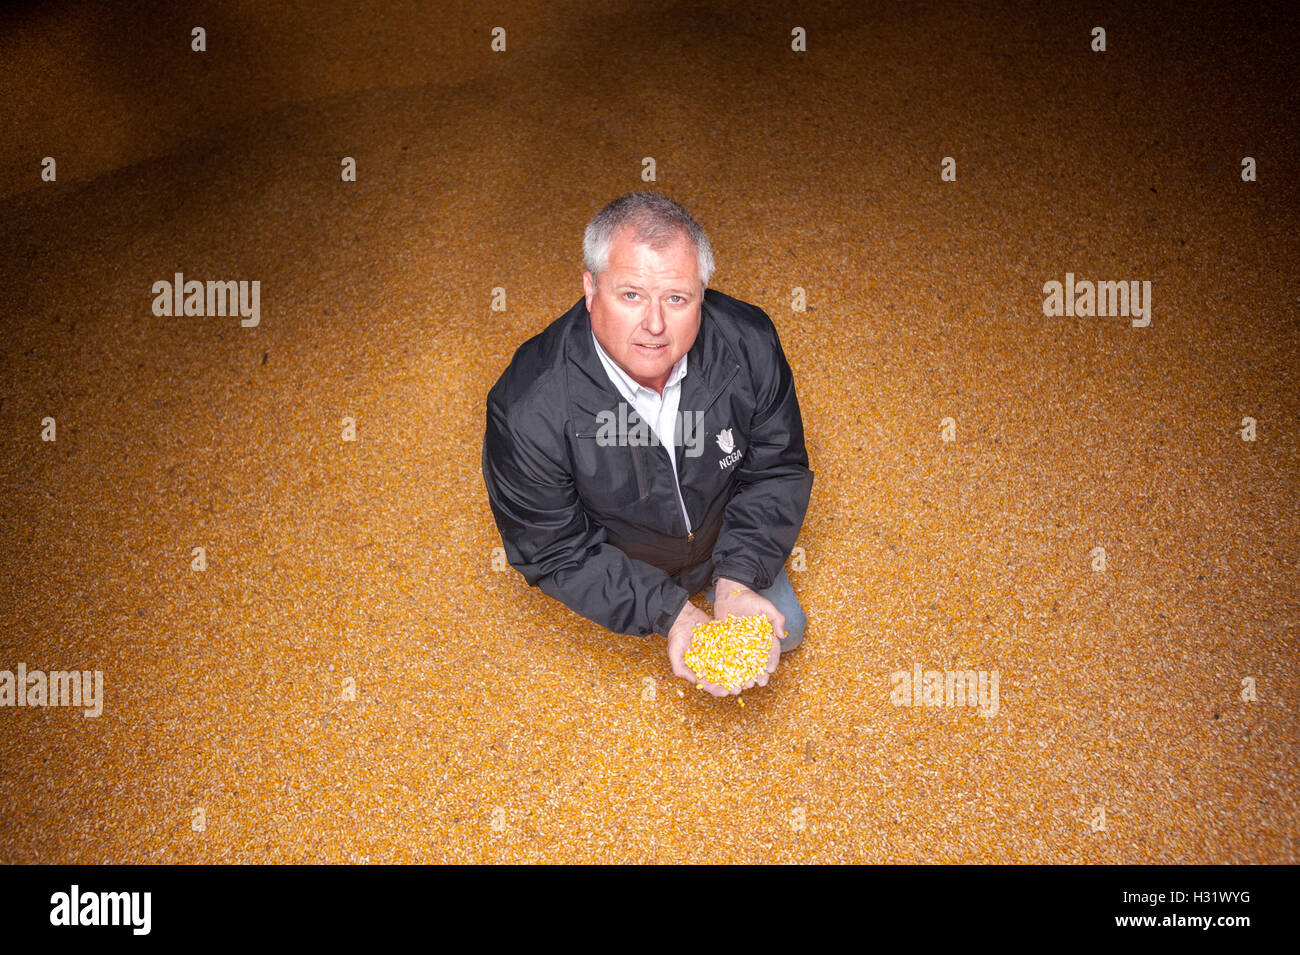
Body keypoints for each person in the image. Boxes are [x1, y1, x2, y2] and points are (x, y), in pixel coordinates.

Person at [482, 192, 813, 696]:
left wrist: (739, 578)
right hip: (625, 560)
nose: (655, 325)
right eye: (631, 295)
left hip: (723, 540)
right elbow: (555, 549)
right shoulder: (527, 406)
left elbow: (775, 471)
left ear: (702, 292)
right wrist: (671, 613)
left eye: (677, 298)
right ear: (591, 288)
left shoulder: (750, 341)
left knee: (786, 630)